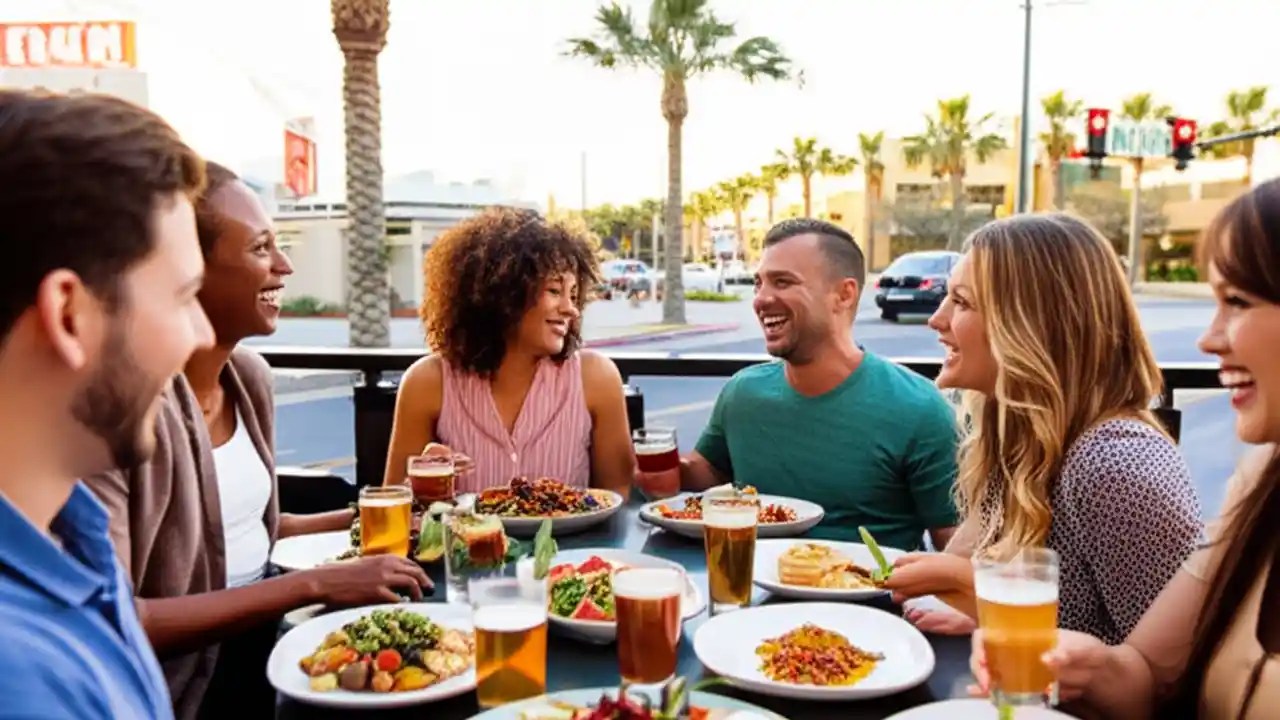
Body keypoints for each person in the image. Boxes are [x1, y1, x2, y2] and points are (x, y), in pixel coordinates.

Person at [84, 163, 432, 719]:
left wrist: (381, 518)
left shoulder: (248, 377)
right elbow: (119, 619)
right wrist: (314, 583)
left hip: (272, 637)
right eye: (260, 248)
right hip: (185, 681)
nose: (284, 265)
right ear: (185, 270)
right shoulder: (119, 414)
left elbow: (250, 531)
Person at [968, 180, 1280, 719]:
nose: (1208, 339)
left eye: (1237, 301)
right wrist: (1095, 667)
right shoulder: (1260, 482)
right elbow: (1149, 677)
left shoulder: (1117, 461)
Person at [884, 213, 1202, 641]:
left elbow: (1176, 667)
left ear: (1029, 324)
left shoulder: (1116, 465)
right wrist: (984, 609)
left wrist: (977, 587)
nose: (936, 320)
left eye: (960, 302)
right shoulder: (1016, 431)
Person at [0, 90, 212, 718]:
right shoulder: (26, 681)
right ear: (69, 314)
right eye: (182, 296)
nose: (200, 334)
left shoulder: (71, 529)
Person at [666, 218, 960, 551]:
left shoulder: (920, 409)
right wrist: (659, 467)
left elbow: (954, 552)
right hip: (749, 593)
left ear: (844, 294)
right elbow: (706, 474)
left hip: (872, 599)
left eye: (782, 282)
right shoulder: (743, 393)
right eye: (758, 283)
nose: (761, 299)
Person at [384, 206, 634, 494]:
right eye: (555, 291)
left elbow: (618, 500)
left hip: (575, 542)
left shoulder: (595, 378)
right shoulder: (428, 382)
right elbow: (393, 507)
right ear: (503, 293)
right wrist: (422, 487)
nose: (571, 310)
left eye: (574, 295)